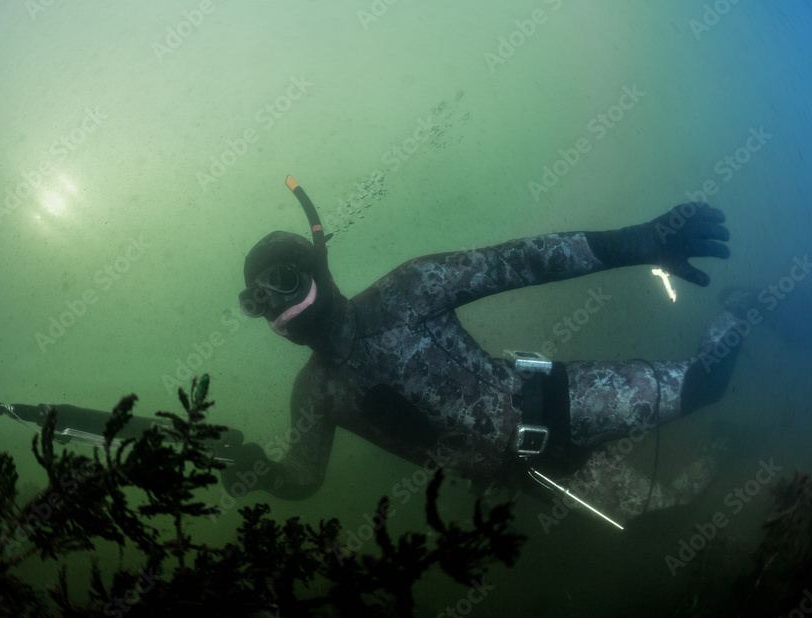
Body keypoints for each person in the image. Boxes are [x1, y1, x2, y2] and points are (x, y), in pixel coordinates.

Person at [219, 178, 744, 526]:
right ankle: (728, 448)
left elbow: (524, 262)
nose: (273, 304)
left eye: (283, 280)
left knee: (709, 383)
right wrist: (259, 473)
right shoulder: (315, 393)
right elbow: (304, 478)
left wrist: (642, 241)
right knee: (660, 519)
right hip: (531, 473)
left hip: (557, 400)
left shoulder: (407, 289)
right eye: (257, 299)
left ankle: (739, 308)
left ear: (317, 269)